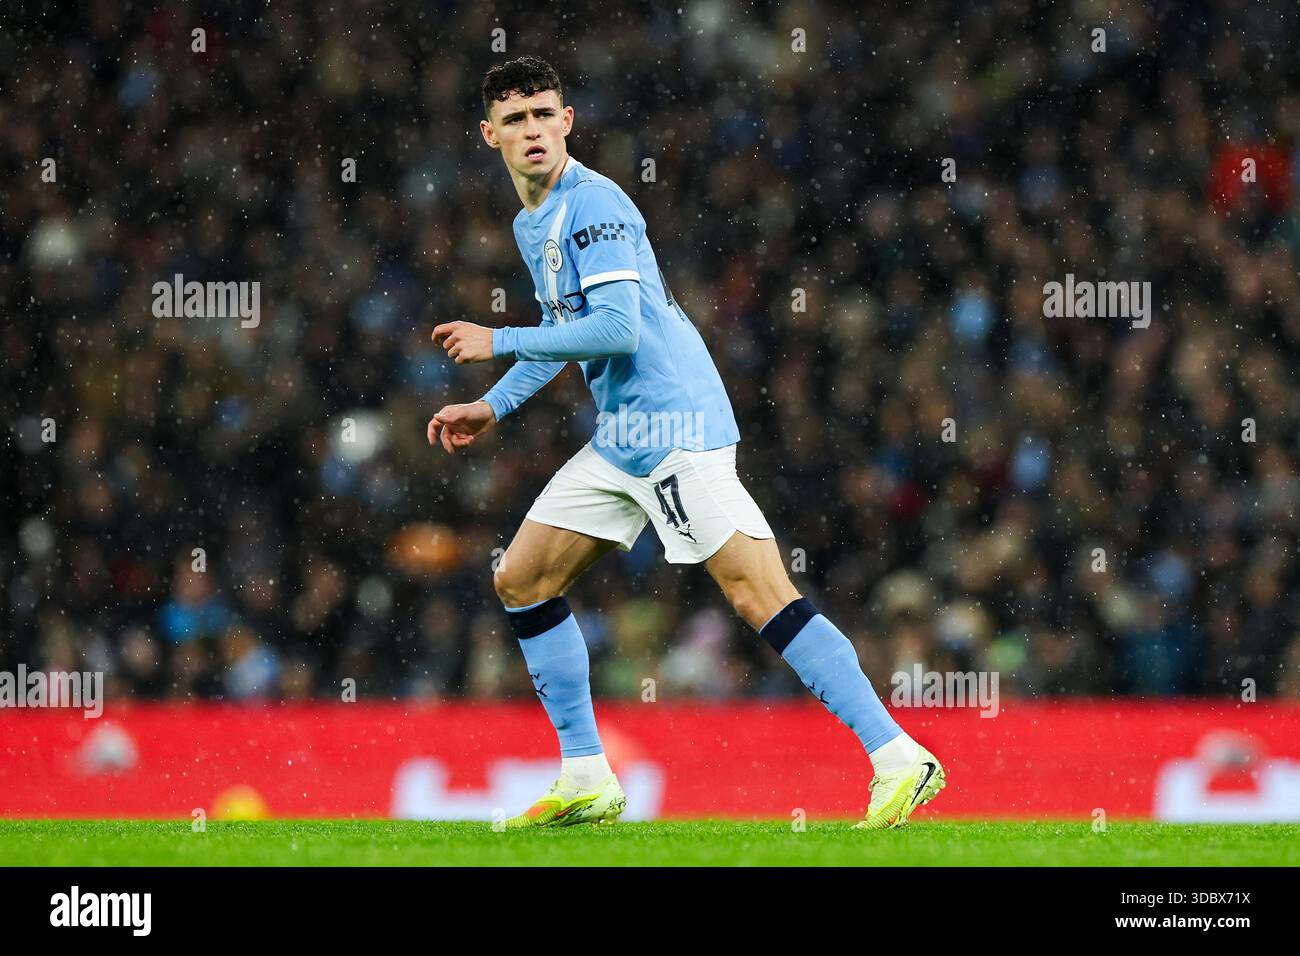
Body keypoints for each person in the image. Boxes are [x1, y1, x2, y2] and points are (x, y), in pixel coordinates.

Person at [428, 56, 945, 830]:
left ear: (568, 121)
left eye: (544, 115)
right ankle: (586, 777)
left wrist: (494, 337)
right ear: (489, 134)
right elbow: (568, 336)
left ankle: (899, 755)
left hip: (674, 426)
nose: (532, 131)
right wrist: (494, 407)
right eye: (515, 120)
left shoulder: (595, 205)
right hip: (622, 436)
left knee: (757, 593)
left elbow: (617, 328)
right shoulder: (530, 221)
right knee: (524, 577)